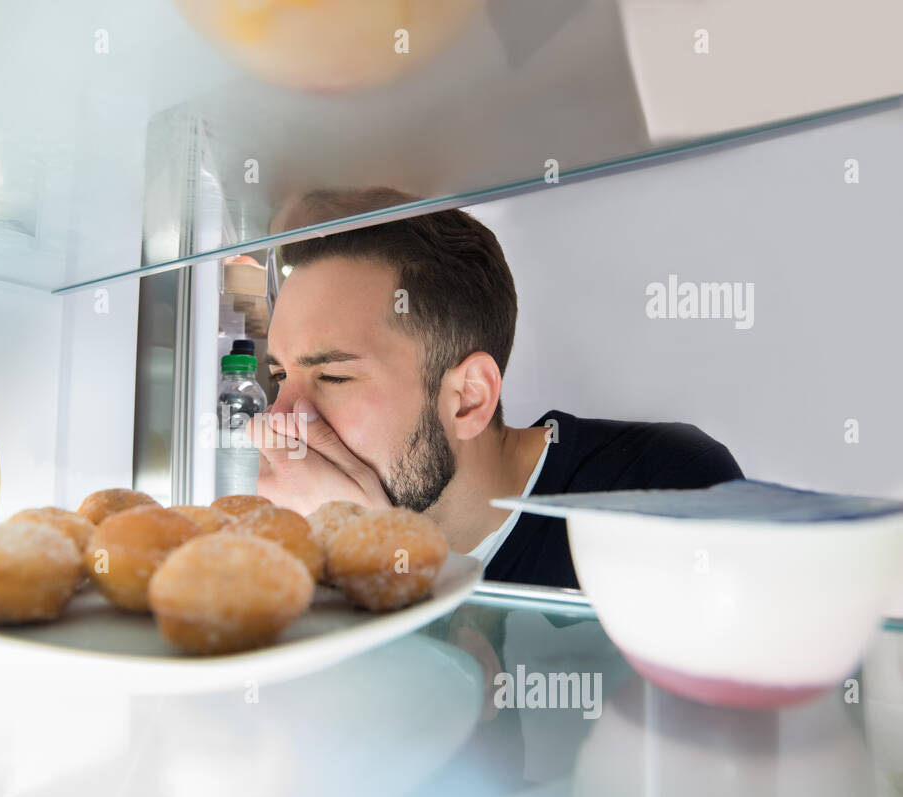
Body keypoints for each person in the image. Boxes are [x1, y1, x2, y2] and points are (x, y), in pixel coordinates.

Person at [254, 188, 743, 589]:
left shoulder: (669, 487)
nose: (277, 421)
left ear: (469, 398)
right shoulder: (309, 550)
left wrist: (375, 561)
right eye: (279, 377)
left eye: (333, 376)